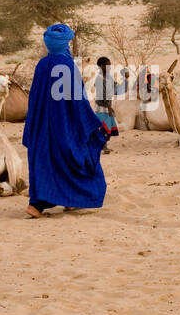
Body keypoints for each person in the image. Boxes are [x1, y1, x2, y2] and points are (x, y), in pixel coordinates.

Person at [22, 24, 108, 218]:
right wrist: (91, 123)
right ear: (64, 44)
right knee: (81, 156)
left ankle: (37, 205)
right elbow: (78, 101)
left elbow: (34, 99)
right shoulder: (68, 65)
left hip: (42, 128)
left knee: (46, 164)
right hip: (64, 127)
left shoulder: (42, 65)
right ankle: (70, 200)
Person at [93, 56, 119, 154]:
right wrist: (108, 107)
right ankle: (102, 147)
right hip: (102, 107)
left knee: (107, 126)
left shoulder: (109, 77)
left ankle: (104, 146)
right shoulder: (99, 79)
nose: (110, 67)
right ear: (102, 66)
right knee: (103, 127)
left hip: (108, 105)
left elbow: (114, 90)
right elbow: (101, 95)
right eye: (108, 65)